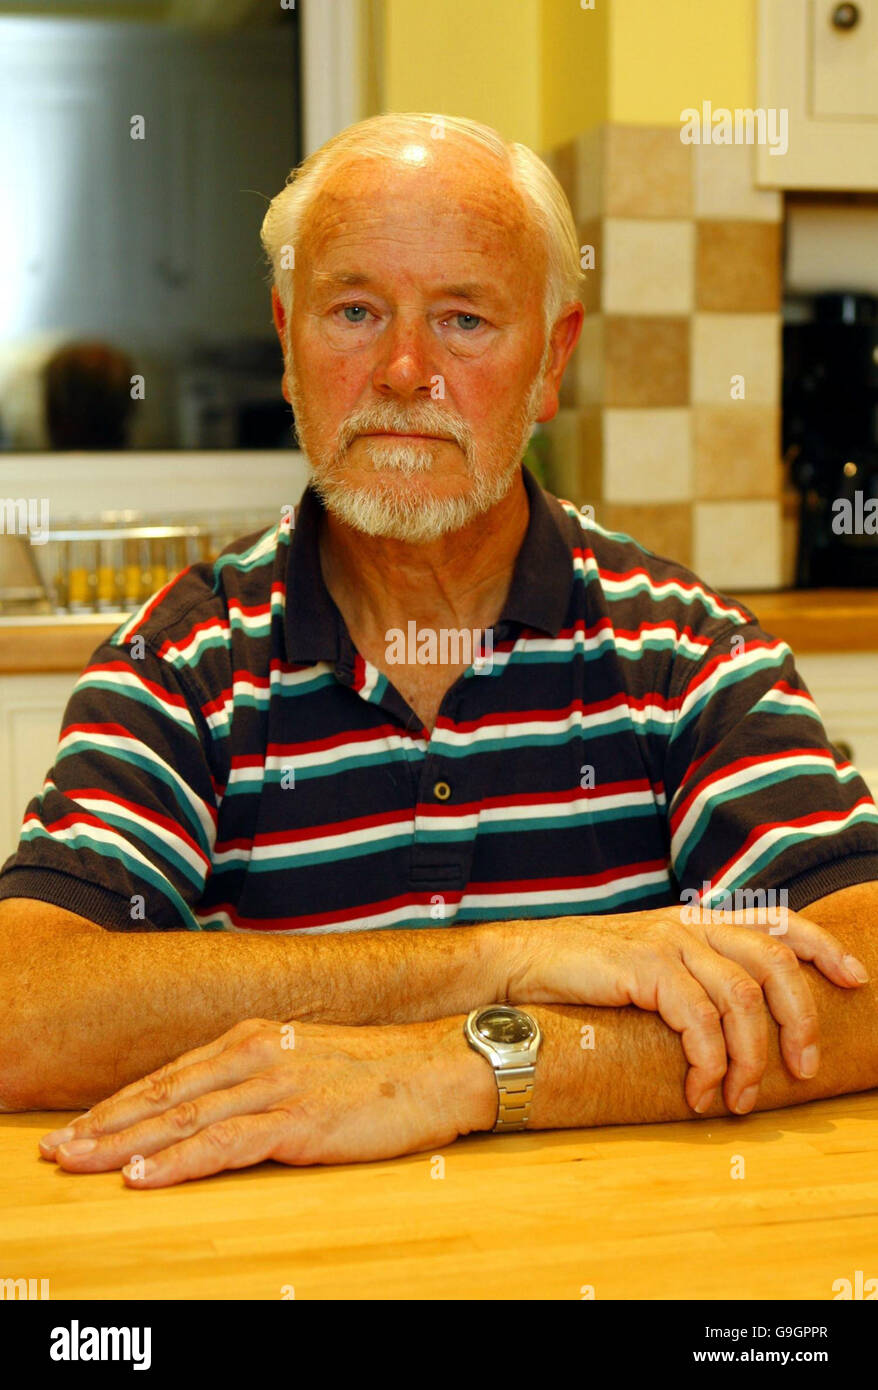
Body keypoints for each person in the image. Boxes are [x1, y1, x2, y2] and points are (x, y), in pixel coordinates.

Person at [1, 114, 876, 1189]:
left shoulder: (681, 652)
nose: (404, 369)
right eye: (355, 311)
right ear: (286, 342)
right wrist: (503, 955)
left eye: (463, 319)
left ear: (551, 358)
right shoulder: (186, 663)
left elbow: (863, 971)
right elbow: (21, 1007)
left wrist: (462, 1065)